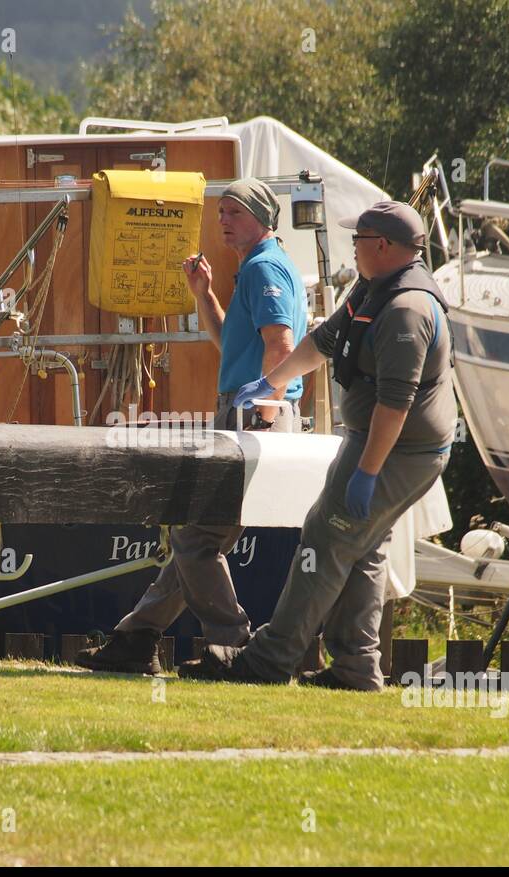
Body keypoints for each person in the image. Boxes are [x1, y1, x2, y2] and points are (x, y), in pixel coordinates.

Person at [178, 200, 454, 690]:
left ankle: (270, 659)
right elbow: (322, 341)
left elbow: (395, 407)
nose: (352, 246)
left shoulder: (407, 311)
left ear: (383, 246)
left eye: (358, 240)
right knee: (362, 547)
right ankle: (355, 667)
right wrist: (272, 382)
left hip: (396, 450)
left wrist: (367, 474)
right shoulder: (373, 289)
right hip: (376, 441)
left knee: (326, 538)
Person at [76, 178, 308, 675]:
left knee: (194, 539)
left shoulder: (264, 266)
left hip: (252, 419)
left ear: (263, 219)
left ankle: (231, 646)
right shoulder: (259, 267)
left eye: (234, 212)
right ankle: (136, 639)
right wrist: (202, 295)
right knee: (197, 539)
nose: (222, 220)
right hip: (249, 414)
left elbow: (281, 348)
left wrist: (261, 421)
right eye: (221, 211)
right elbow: (234, 348)